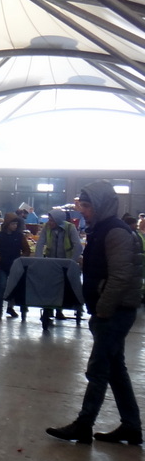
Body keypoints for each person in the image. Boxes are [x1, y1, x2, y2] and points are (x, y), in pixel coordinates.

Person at [46, 182, 144, 445]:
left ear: (101, 205)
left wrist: (102, 310)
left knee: (98, 369)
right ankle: (131, 426)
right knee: (115, 369)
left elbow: (121, 277)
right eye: (82, 206)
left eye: (88, 206)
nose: (83, 211)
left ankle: (84, 424)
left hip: (114, 311)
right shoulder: (102, 230)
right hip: (109, 309)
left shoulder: (115, 232)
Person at [35, 210, 84, 321]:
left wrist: (72, 261)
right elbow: (40, 244)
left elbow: (78, 246)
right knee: (48, 287)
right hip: (50, 262)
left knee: (64, 287)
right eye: (49, 219)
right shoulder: (47, 227)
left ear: (58, 220)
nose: (49, 222)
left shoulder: (69, 228)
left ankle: (59, 310)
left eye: (52, 220)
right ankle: (48, 310)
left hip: (65, 263)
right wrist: (39, 260)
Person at [0, 215, 31, 321]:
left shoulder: (20, 236)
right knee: (2, 287)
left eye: (16, 224)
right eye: (13, 224)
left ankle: (11, 308)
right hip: (3, 266)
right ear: (7, 224)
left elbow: (26, 250)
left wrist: (21, 259)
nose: (15, 226)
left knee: (15, 288)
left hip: (16, 267)